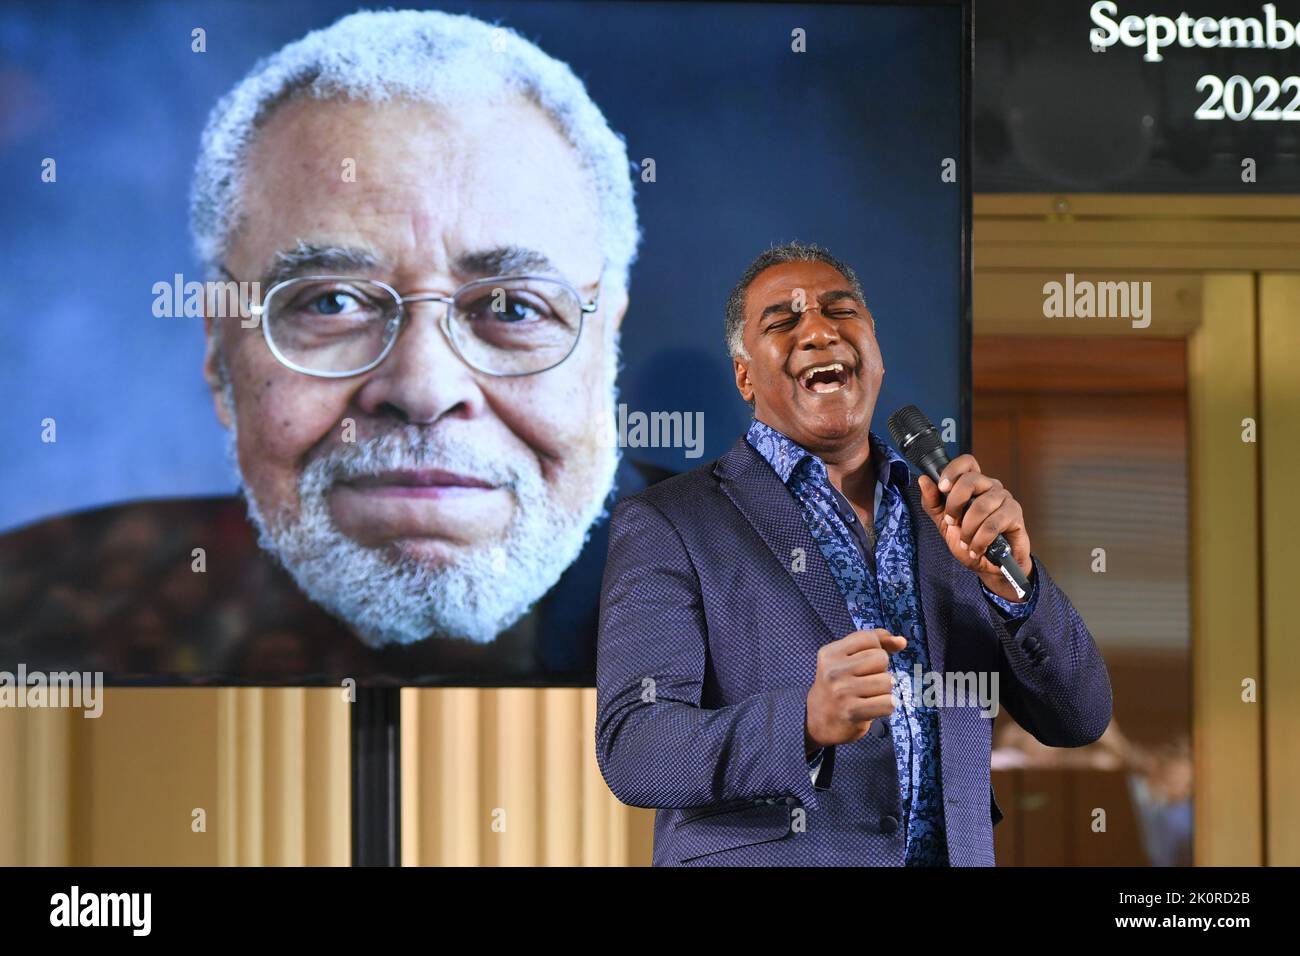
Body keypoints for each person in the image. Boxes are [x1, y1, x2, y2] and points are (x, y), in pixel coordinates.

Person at [0, 9, 665, 682]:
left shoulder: (764, 625)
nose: (424, 388)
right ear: (218, 352)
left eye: (511, 307)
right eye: (331, 303)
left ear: (605, 345)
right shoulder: (37, 622)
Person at [595, 241, 1112, 865]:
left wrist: (1016, 588)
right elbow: (636, 749)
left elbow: (1079, 717)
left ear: (877, 357)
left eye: (840, 313)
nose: (818, 330)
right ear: (745, 376)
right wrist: (804, 721)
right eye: (783, 322)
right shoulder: (669, 522)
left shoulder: (952, 513)